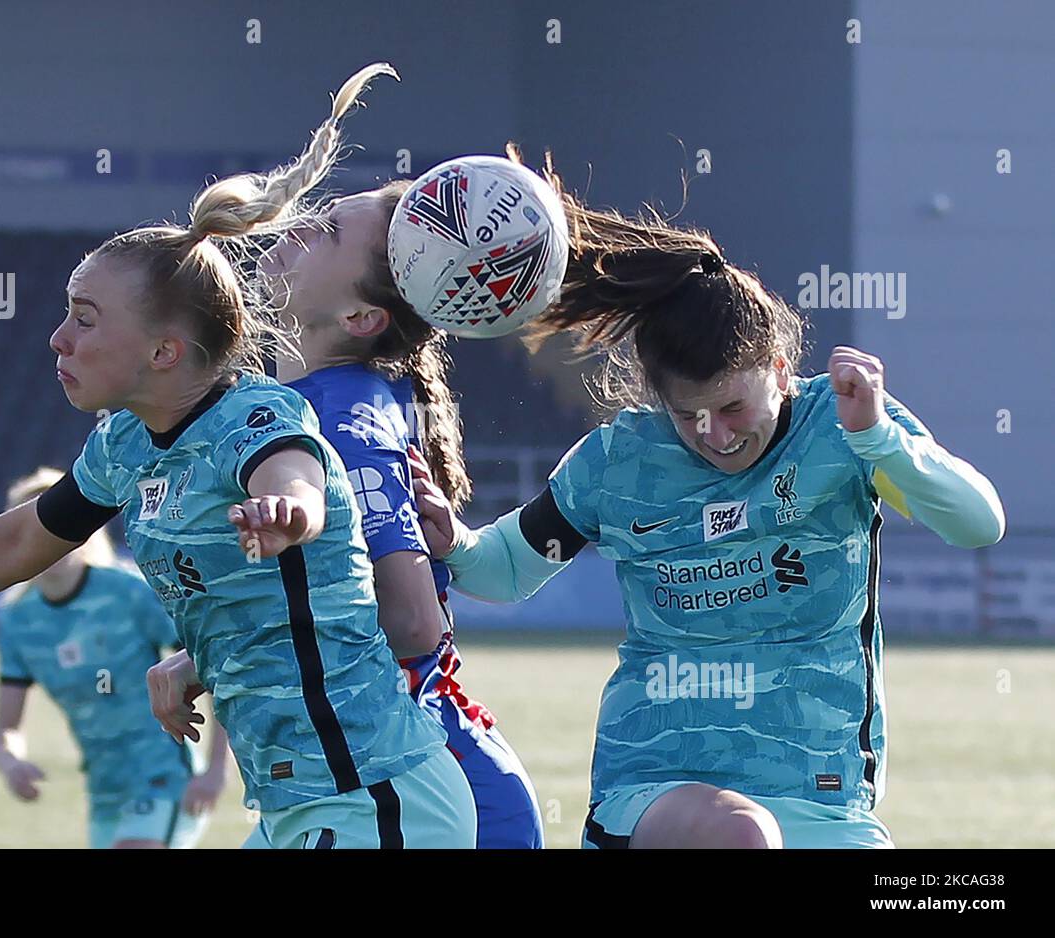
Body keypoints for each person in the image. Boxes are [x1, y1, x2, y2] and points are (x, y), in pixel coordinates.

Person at [0, 63, 477, 850]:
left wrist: (289, 514)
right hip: (302, 805)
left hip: (377, 796)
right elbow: (23, 539)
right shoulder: (125, 444)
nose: (59, 339)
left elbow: (297, 480)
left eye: (85, 319)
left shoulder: (258, 414)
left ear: (164, 350)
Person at [407, 150, 1005, 848]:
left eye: (730, 407)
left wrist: (879, 438)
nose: (712, 435)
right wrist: (456, 542)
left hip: (822, 802)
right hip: (656, 792)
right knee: (742, 837)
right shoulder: (620, 459)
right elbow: (506, 571)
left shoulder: (846, 429)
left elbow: (976, 524)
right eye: (686, 414)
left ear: (779, 370)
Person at [250, 178, 543, 848]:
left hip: (423, 796)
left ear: (360, 317)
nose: (297, 226)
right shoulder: (321, 402)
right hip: (370, 783)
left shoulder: (345, 419)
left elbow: (412, 622)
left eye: (326, 231)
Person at [0, 466, 229, 848]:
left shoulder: (129, 593)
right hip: (105, 791)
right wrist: (10, 762)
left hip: (163, 778)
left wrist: (217, 769)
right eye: (29, 532)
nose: (42, 542)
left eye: (54, 527)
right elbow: (7, 729)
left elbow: (213, 662)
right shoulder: (18, 620)